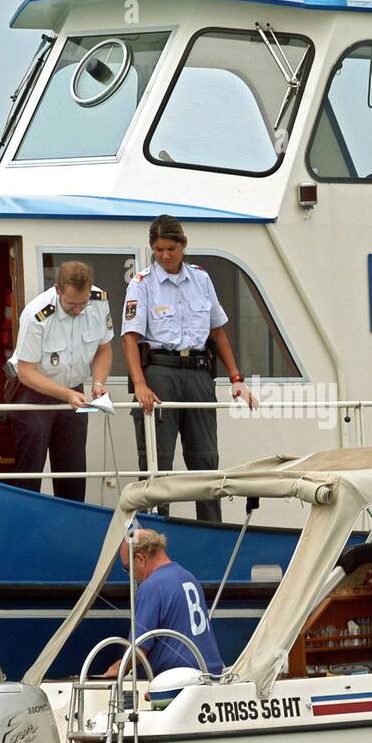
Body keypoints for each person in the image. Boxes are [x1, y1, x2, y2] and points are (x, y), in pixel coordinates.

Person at [122, 215, 257, 523]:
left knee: (205, 461)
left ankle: (211, 530)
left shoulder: (201, 278)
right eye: (158, 250)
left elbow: (217, 331)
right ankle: (155, 533)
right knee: (158, 462)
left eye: (170, 248)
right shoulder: (142, 284)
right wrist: (140, 384)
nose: (165, 256)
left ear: (183, 245)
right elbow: (129, 338)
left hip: (198, 372)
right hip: (160, 372)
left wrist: (236, 378)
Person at [7, 261, 113, 500]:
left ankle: (72, 529)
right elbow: (26, 371)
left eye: (83, 304)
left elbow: (104, 349)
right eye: (71, 304)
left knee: (73, 469)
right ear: (57, 290)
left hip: (74, 390)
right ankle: (26, 526)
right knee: (30, 471)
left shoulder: (99, 302)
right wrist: (66, 395)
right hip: (33, 391)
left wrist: (98, 383)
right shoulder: (37, 314)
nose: (78, 310)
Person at [104, 528, 225, 678]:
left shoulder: (151, 587)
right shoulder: (188, 577)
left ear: (140, 559)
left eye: (127, 568)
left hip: (179, 680)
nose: (131, 575)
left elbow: (138, 649)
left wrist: (116, 669)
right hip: (210, 674)